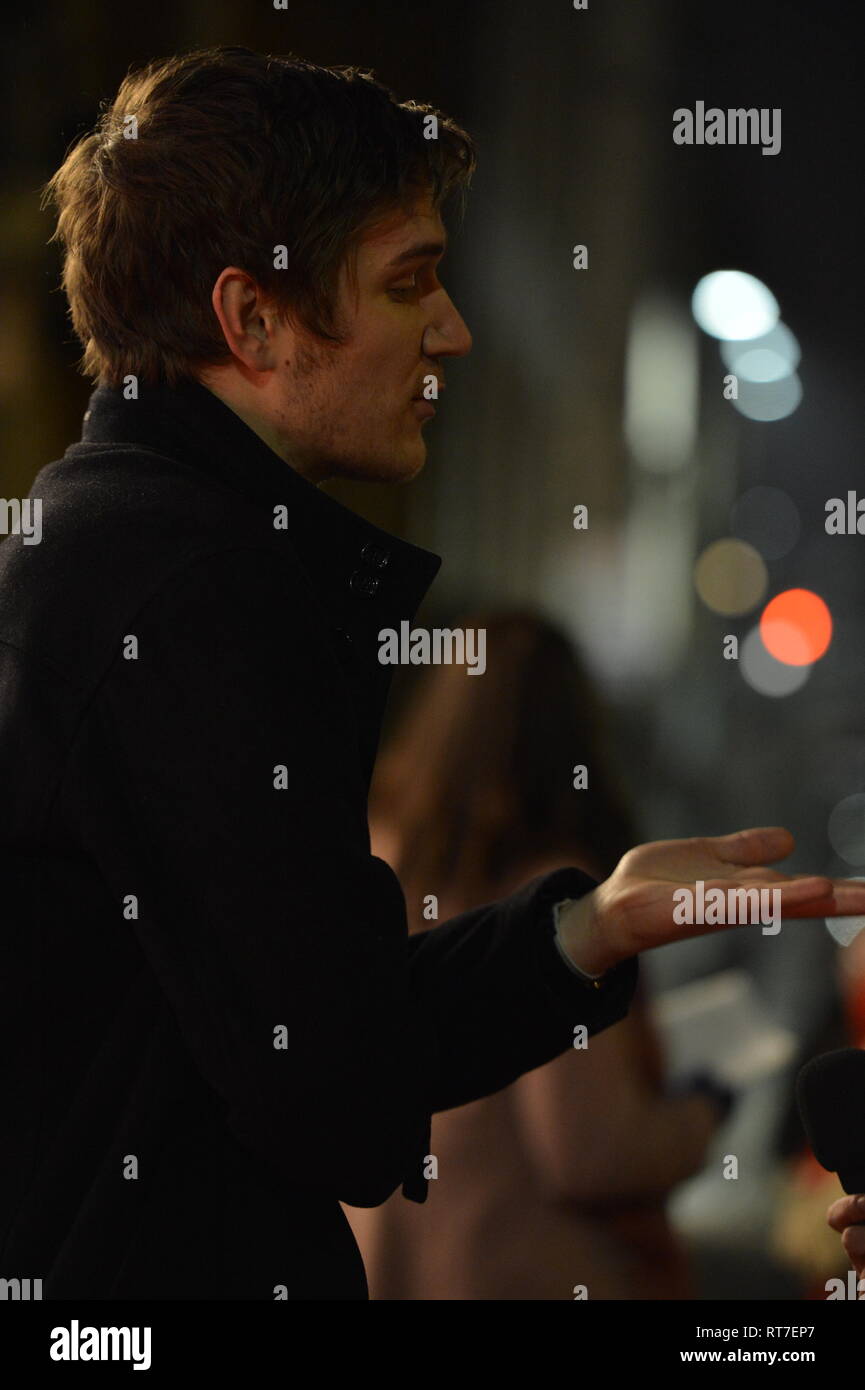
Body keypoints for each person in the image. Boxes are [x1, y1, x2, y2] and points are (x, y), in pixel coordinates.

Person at [1, 46, 861, 1301]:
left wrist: (587, 925)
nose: (450, 331)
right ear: (255, 321)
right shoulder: (195, 593)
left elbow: (302, 1020)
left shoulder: (115, 543)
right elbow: (337, 1094)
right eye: (410, 283)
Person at [344, 611, 732, 1299]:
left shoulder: (372, 851)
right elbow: (589, 1152)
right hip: (517, 1270)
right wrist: (705, 1105)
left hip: (383, 1265)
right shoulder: (556, 893)